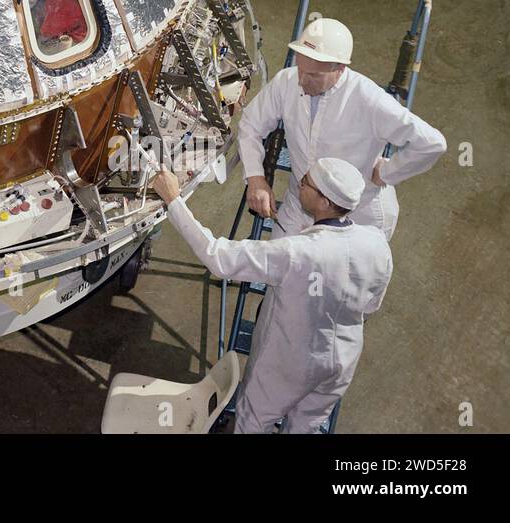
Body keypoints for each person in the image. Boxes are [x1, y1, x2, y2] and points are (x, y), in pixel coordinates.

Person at [153, 157, 392, 434]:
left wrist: (173, 200)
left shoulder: (298, 252)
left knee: (251, 421)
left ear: (325, 202)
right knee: (306, 426)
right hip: (342, 362)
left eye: (306, 184)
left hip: (291, 362)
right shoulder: (376, 242)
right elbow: (371, 305)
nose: (299, 184)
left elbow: (218, 257)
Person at [239, 15, 446, 240]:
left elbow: (432, 143)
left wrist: (388, 172)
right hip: (300, 207)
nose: (302, 80)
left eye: (314, 75)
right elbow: (250, 125)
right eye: (300, 68)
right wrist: (256, 178)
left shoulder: (369, 100)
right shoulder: (286, 82)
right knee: (279, 267)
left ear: (340, 68)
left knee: (338, 272)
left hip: (357, 218)